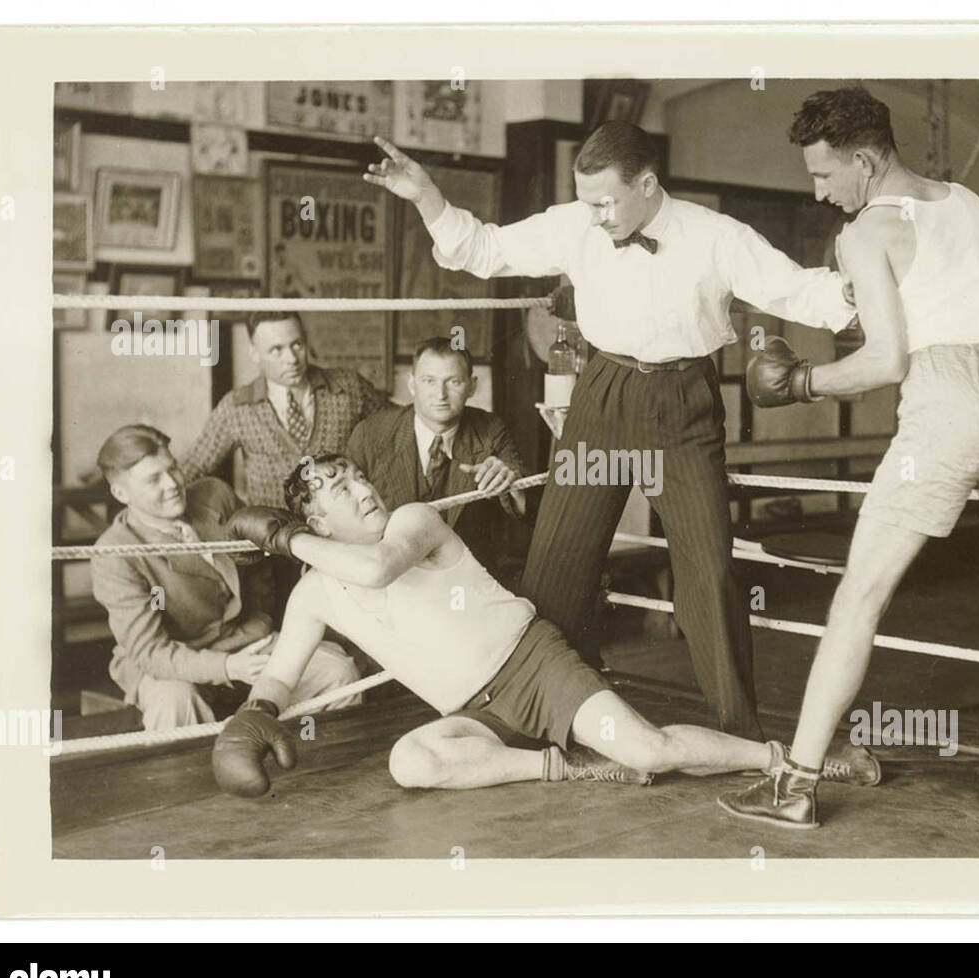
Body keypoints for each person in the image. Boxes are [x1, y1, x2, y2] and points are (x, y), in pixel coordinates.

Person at [721, 88, 979, 844]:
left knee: (858, 598)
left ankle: (796, 786)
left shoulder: (864, 233)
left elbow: (885, 359)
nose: (819, 192)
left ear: (867, 161)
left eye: (825, 175)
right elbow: (946, 286)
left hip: (950, 402)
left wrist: (801, 383)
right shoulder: (970, 201)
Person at [362, 123, 855, 741]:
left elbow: (799, 290)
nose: (596, 217)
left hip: (682, 405)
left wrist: (881, 289)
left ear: (648, 185)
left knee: (709, 572)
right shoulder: (577, 223)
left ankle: (740, 735)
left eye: (607, 202)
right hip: (602, 396)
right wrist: (425, 194)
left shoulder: (717, 237)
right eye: (587, 200)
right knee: (556, 564)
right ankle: (544, 715)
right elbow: (484, 251)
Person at [210, 454, 881, 798]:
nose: (363, 488)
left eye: (357, 474)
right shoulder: (314, 592)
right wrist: (253, 715)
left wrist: (283, 537)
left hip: (532, 662)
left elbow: (380, 569)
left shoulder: (411, 520)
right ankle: (567, 766)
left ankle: (798, 759)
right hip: (475, 712)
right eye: (340, 487)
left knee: (646, 749)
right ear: (320, 520)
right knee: (410, 761)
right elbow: (278, 673)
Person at [89, 425, 360, 731]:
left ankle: (308, 768)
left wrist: (257, 620)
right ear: (120, 493)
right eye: (153, 479)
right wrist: (228, 667)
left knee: (337, 673)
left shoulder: (213, 495)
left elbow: (257, 565)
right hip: (173, 664)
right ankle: (192, 779)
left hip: (245, 641)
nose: (172, 483)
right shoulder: (114, 553)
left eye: (173, 468)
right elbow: (152, 652)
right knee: (174, 703)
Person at [346, 336, 527, 580]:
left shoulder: (490, 430)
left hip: (467, 579)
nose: (440, 394)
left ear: (472, 386)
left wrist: (512, 484)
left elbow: (524, 508)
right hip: (397, 580)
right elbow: (347, 519)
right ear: (412, 384)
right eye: (429, 381)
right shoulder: (371, 434)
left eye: (453, 382)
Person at [181, 311, 392, 508]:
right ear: (254, 353)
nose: (292, 359)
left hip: (342, 530)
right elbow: (193, 468)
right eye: (276, 350)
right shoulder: (237, 406)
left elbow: (396, 430)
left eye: (297, 345)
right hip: (273, 537)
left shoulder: (348, 386)